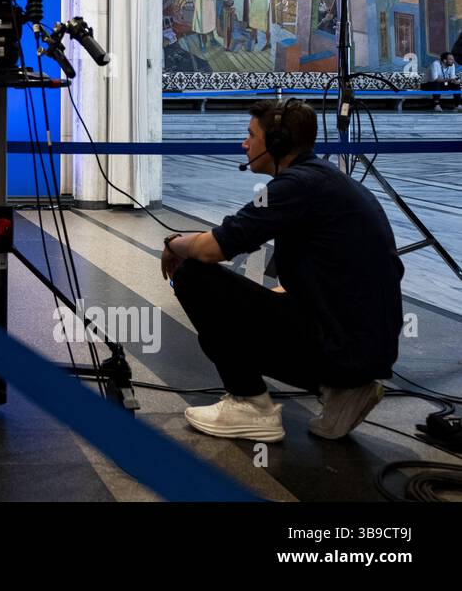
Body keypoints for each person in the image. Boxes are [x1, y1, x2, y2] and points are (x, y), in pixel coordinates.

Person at [161, 99, 403, 442]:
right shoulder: (324, 178)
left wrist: (174, 244)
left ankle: (250, 405)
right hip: (364, 348)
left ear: (275, 143)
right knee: (256, 298)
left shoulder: (294, 186)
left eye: (250, 135)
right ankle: (344, 389)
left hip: (345, 350)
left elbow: (214, 247)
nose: (244, 143)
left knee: (193, 276)